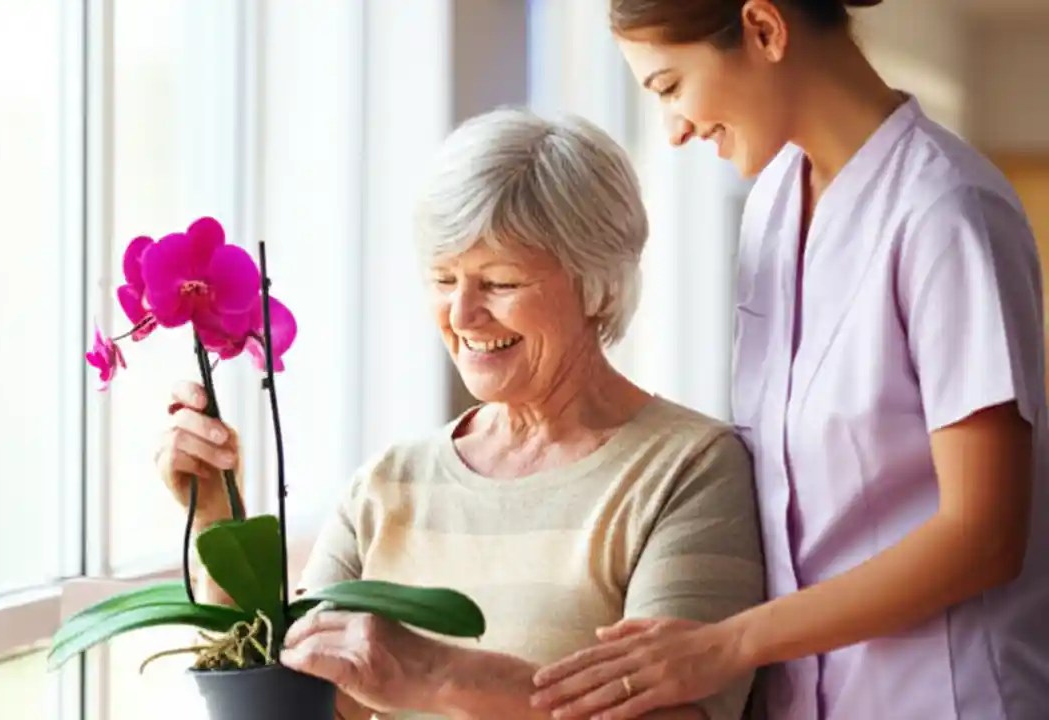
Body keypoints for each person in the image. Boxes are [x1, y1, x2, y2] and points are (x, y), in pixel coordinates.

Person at [156, 108, 765, 719]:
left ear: (599, 285)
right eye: (443, 279)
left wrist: (437, 676)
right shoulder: (390, 483)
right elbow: (286, 695)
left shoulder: (688, 470)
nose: (462, 314)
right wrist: (216, 517)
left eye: (499, 283)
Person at [531, 1, 1048, 719]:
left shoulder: (947, 212)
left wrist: (729, 644)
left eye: (670, 86)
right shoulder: (773, 203)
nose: (674, 130)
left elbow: (983, 535)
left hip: (946, 698)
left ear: (764, 29)